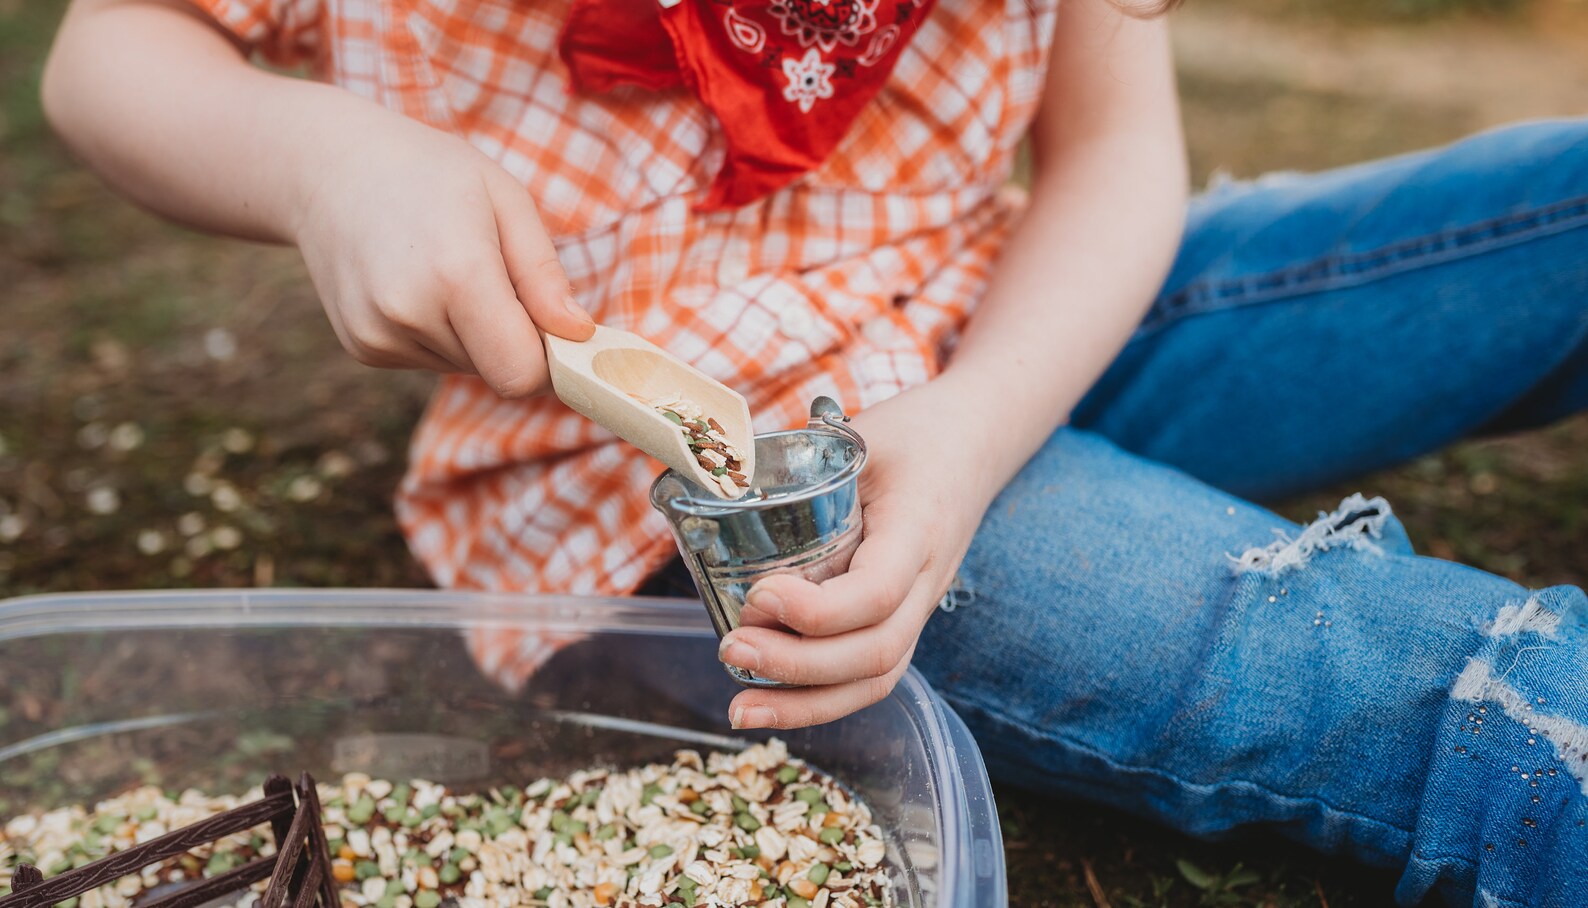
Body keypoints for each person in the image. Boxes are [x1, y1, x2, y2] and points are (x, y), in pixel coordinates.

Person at [39, 0, 1587, 900]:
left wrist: (979, 424)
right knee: (1312, 652)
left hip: (1014, 324)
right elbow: (111, 50)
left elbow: (1114, 151)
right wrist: (327, 161)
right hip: (685, 502)